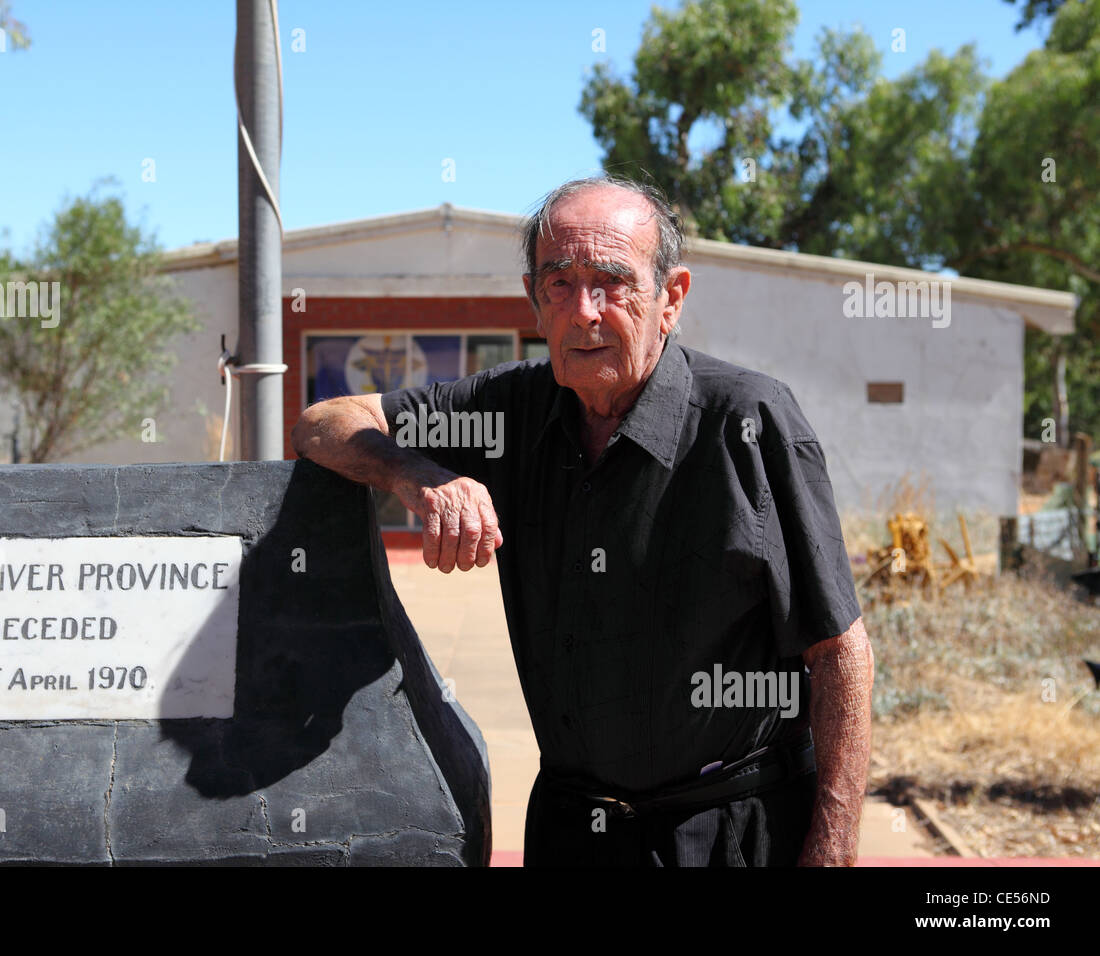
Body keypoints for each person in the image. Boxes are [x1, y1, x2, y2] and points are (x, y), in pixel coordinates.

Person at [292, 175, 874, 867]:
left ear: (672, 299)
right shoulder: (507, 410)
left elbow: (840, 651)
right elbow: (322, 422)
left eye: (612, 281)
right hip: (575, 833)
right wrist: (417, 476)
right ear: (534, 301)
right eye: (559, 282)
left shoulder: (748, 421)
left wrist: (832, 848)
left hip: (731, 836)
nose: (584, 311)